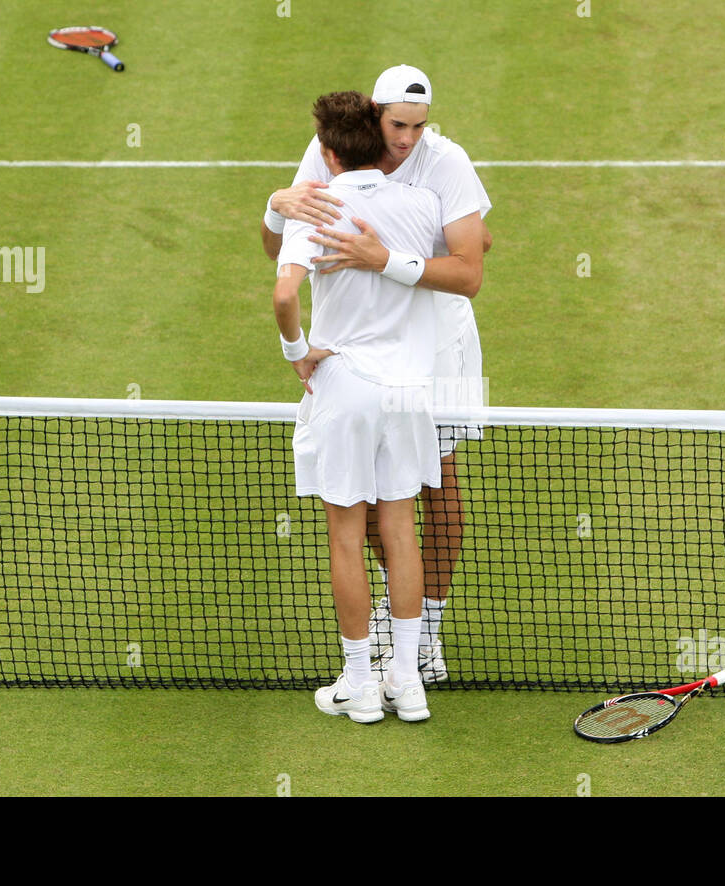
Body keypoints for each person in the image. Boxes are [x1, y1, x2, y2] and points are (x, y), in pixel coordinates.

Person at [262, 65, 492, 684]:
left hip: (439, 347)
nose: (408, 140)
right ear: (373, 114)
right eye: (398, 125)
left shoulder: (446, 162)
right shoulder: (328, 151)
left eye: (419, 127)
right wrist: (277, 206)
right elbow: (279, 248)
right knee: (370, 501)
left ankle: (426, 637)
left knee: (438, 486)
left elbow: (469, 273)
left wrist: (383, 259)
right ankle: (395, 618)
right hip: (360, 356)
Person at [273, 90, 449, 723]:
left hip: (345, 386)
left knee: (347, 535)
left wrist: (297, 350)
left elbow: (284, 293)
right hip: (409, 393)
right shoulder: (426, 203)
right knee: (401, 530)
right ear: (381, 142)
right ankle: (408, 680)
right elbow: (476, 248)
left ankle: (359, 684)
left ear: (325, 153)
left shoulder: (314, 207)